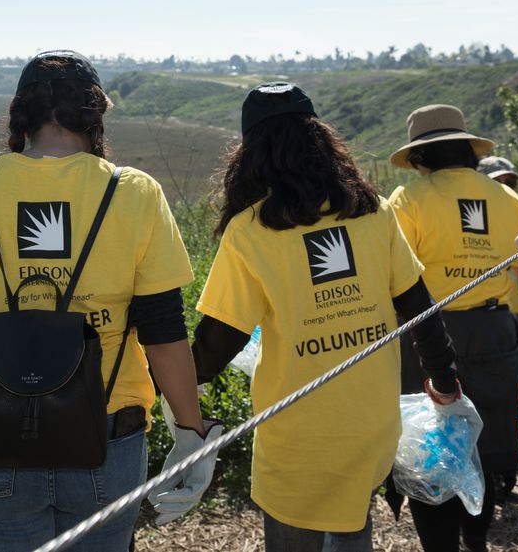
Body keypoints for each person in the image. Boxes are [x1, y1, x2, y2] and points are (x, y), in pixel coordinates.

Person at [0, 50, 220, 551]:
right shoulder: (134, 193)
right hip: (108, 443)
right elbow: (163, 329)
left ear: (19, 115)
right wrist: (192, 433)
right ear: (94, 115)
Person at [190, 84, 461, 552]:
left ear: (251, 154)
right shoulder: (371, 212)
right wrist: (444, 377)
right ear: (321, 141)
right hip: (372, 423)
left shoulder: (251, 232)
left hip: (299, 435)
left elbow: (216, 346)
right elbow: (420, 307)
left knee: (297, 531)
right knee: (353, 520)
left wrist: (171, 385)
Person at [387, 104, 518, 551]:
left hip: (428, 335)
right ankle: (477, 541)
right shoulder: (511, 202)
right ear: (468, 150)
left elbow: (392, 277)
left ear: (421, 158)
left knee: (433, 449)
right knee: (482, 445)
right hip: (496, 332)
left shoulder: (408, 200)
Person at [479, 155, 518, 506]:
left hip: (516, 319)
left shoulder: (517, 210)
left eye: (509, 181)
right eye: (497, 181)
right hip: (499, 318)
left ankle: (507, 473)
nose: (505, 187)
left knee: (512, 398)